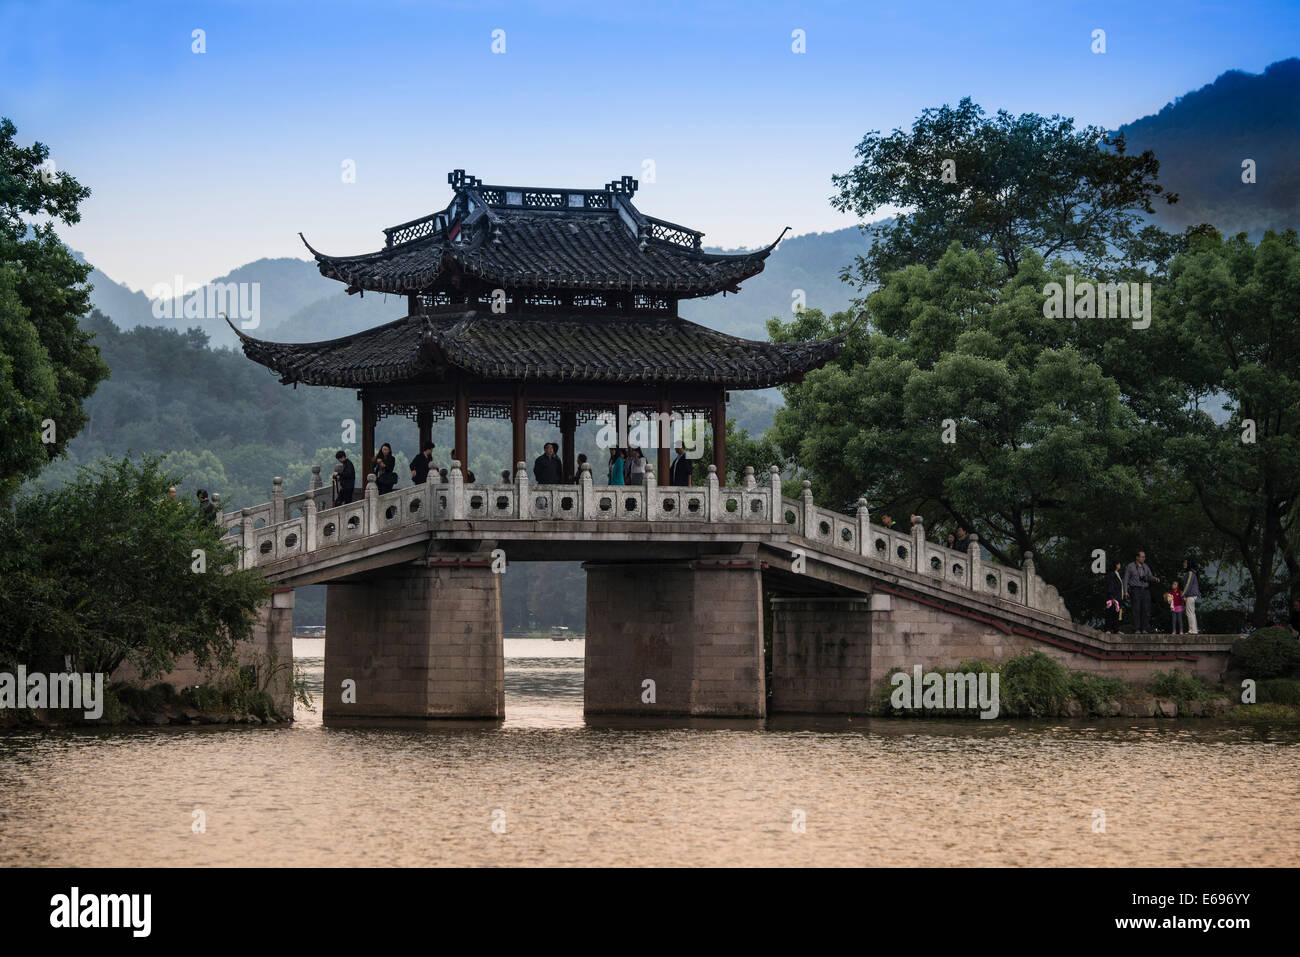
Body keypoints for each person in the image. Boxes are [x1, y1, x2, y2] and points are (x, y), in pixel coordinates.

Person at [1124, 550, 1159, 633]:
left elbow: (1150, 576)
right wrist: (1125, 591)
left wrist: (1155, 579)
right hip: (1135, 589)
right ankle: (1136, 628)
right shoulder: (1130, 566)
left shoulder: (1145, 566)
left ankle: (1144, 628)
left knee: (1146, 609)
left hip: (1145, 590)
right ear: (1137, 557)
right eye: (1142, 557)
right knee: (1136, 609)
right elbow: (1126, 579)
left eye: (1144, 557)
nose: (1144, 558)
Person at [1180, 559, 1201, 635]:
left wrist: (1183, 595)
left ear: (1189, 564)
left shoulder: (1190, 573)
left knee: (1189, 613)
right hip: (1192, 595)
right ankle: (1194, 630)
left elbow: (1188, 585)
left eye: (1185, 563)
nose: (1184, 564)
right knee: (1191, 612)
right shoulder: (1192, 573)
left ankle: (1192, 630)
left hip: (1191, 595)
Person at [1105, 561, 1125, 633]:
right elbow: (1111, 586)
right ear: (1116, 565)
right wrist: (1112, 596)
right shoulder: (1111, 574)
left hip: (1119, 596)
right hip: (1113, 597)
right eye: (1119, 564)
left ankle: (1116, 629)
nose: (1120, 565)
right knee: (1111, 612)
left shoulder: (1117, 574)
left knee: (1117, 613)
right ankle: (1108, 628)